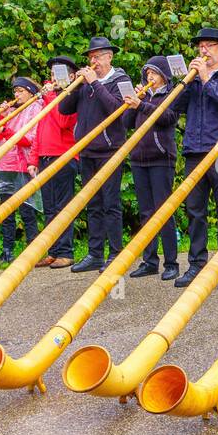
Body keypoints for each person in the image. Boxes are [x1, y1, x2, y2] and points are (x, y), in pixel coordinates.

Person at [171, 27, 218, 291]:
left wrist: (206, 80)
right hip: (194, 150)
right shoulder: (192, 78)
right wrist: (185, 81)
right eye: (200, 46)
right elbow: (173, 107)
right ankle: (197, 264)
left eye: (210, 45)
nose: (203, 50)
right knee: (194, 210)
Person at [59, 36, 132, 272]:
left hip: (110, 150)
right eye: (91, 57)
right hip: (87, 151)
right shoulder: (85, 83)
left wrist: (95, 83)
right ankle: (95, 254)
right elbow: (64, 109)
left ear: (110, 57)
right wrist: (74, 86)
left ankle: (116, 254)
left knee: (111, 203)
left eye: (98, 56)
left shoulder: (121, 79)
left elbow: (117, 110)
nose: (94, 61)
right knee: (93, 204)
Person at [122, 57, 181, 280]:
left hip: (161, 158)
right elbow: (127, 123)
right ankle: (149, 260)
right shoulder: (143, 95)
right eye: (147, 73)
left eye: (154, 73)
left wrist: (142, 105)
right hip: (139, 158)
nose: (149, 78)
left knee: (163, 212)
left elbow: (168, 118)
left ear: (164, 75)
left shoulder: (172, 94)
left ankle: (172, 263)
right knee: (146, 212)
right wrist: (133, 102)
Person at [0, 77, 44, 265]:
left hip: (23, 165)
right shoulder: (12, 111)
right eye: (15, 91)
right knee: (6, 212)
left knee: (27, 211)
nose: (16, 95)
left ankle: (32, 251)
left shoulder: (36, 108)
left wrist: (4, 129)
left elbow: (28, 139)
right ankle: (7, 251)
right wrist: (0, 119)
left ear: (30, 91)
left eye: (20, 91)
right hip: (5, 165)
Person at [33, 55, 80, 268]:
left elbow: (63, 121)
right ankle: (53, 250)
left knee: (63, 206)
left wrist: (50, 95)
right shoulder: (49, 98)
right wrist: (35, 158)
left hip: (64, 155)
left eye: (57, 74)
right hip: (45, 156)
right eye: (51, 74)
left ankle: (66, 252)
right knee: (50, 207)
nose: (53, 78)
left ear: (70, 76)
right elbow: (39, 129)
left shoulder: (70, 95)